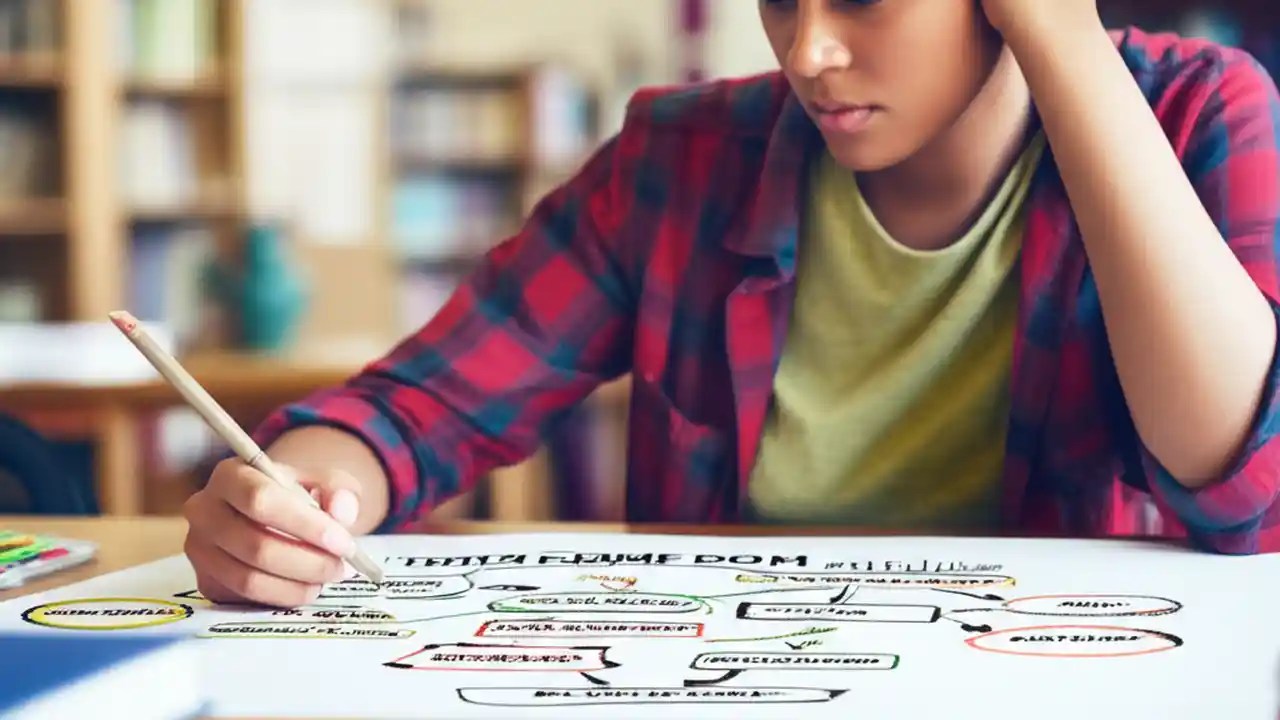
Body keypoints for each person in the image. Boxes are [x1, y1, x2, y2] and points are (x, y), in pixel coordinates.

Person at [182, 0, 1280, 608]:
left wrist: (1063, 39)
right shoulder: (682, 154)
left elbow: (1246, 494)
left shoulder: (1197, 113)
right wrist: (304, 492)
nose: (809, 50)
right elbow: (426, 404)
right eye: (780, 0)